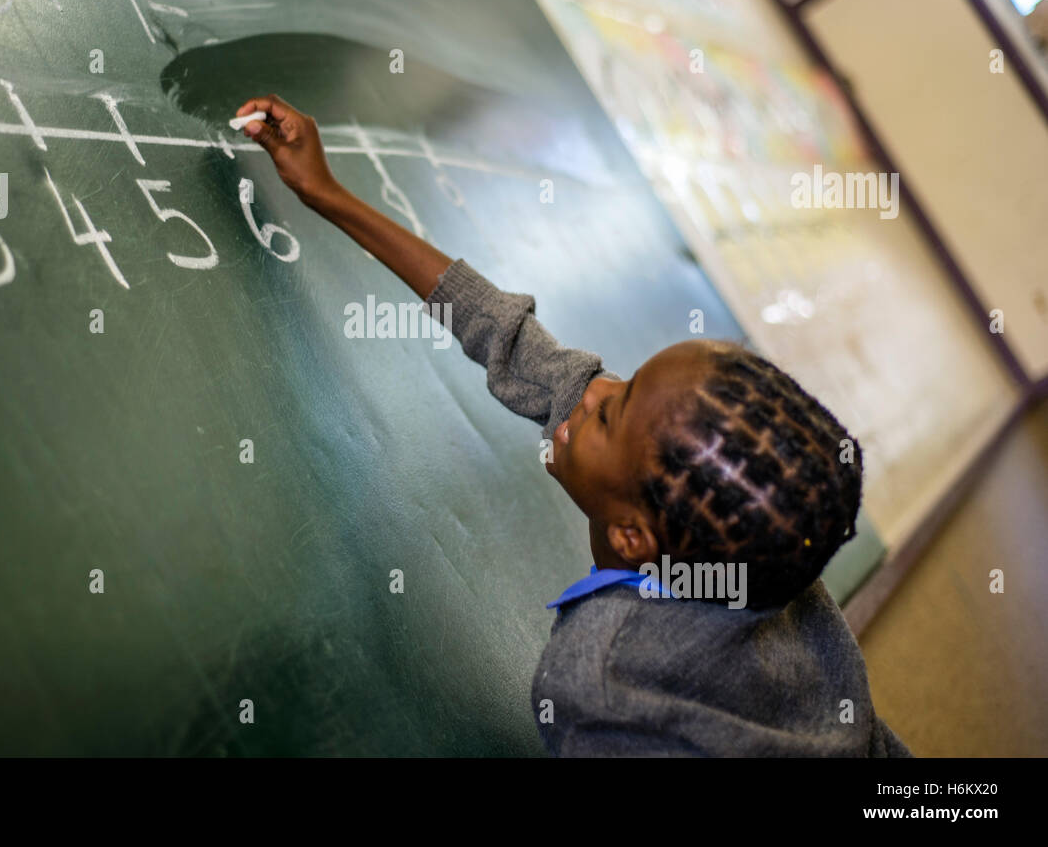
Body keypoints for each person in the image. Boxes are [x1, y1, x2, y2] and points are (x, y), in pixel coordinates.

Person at [235, 94, 911, 757]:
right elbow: (510, 337)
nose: (595, 386)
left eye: (610, 410)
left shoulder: (603, 685)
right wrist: (327, 193)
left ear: (630, 534)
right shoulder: (755, 546)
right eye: (625, 381)